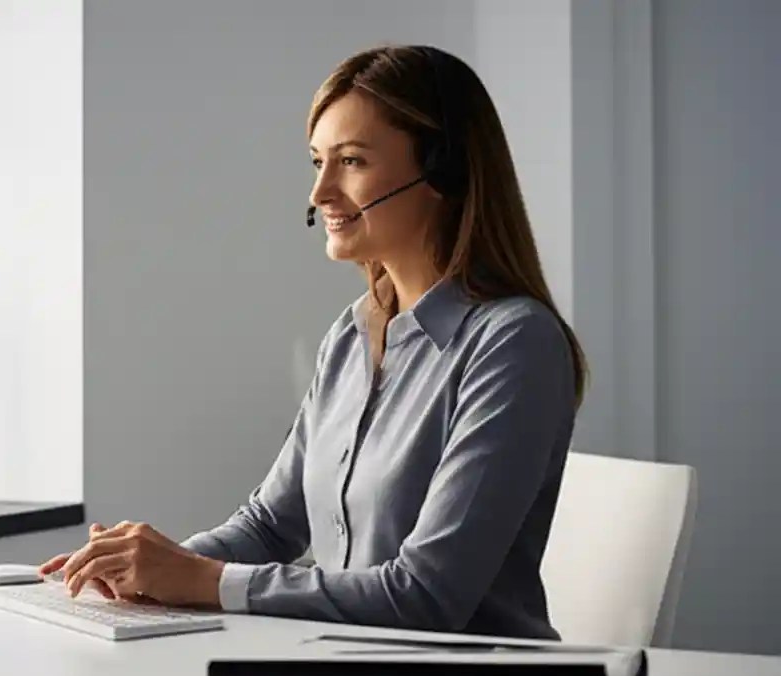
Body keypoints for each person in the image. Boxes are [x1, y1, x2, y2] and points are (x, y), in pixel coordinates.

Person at [39, 44, 587, 640]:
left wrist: (199, 579)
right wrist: (143, 570)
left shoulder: (514, 344)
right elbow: (272, 524)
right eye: (317, 162)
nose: (320, 192)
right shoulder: (353, 335)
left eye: (350, 161)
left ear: (443, 170)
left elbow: (426, 595)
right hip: (344, 672)